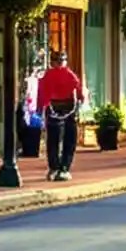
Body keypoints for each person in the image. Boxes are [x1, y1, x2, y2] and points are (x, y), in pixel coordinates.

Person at [37, 50, 83, 181]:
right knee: (69, 139)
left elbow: (42, 93)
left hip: (53, 108)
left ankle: (54, 167)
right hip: (68, 107)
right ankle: (64, 168)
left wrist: (41, 107)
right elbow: (79, 91)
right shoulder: (70, 75)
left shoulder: (48, 75)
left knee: (53, 139)